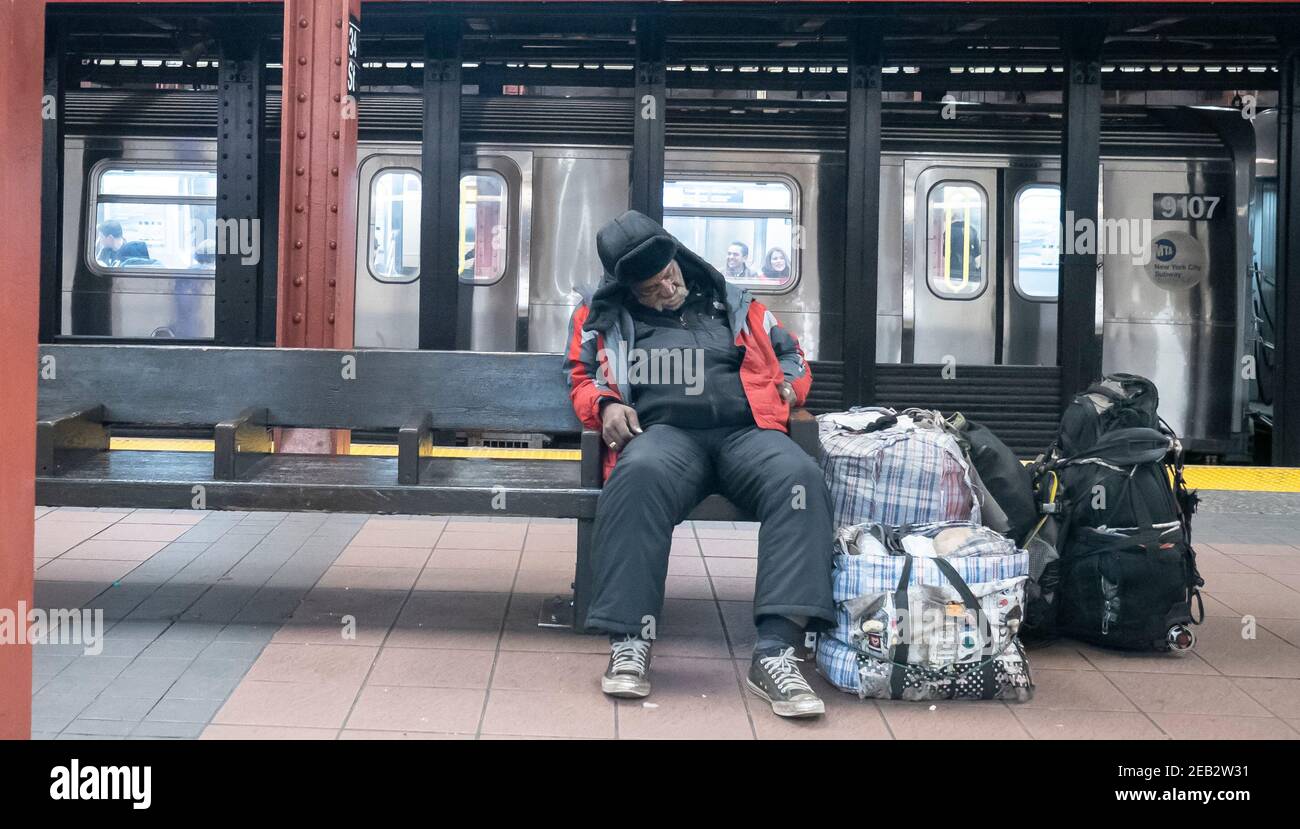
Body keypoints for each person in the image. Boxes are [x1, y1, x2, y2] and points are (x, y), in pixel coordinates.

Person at [564, 210, 835, 719]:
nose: (668, 290)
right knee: (636, 476)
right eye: (651, 289)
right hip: (663, 434)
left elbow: (793, 356)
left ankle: (777, 652)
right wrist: (605, 404)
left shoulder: (734, 302)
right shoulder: (599, 316)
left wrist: (788, 387)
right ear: (626, 288)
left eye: (671, 275)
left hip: (746, 431)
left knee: (800, 479)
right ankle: (630, 640)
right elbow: (581, 376)